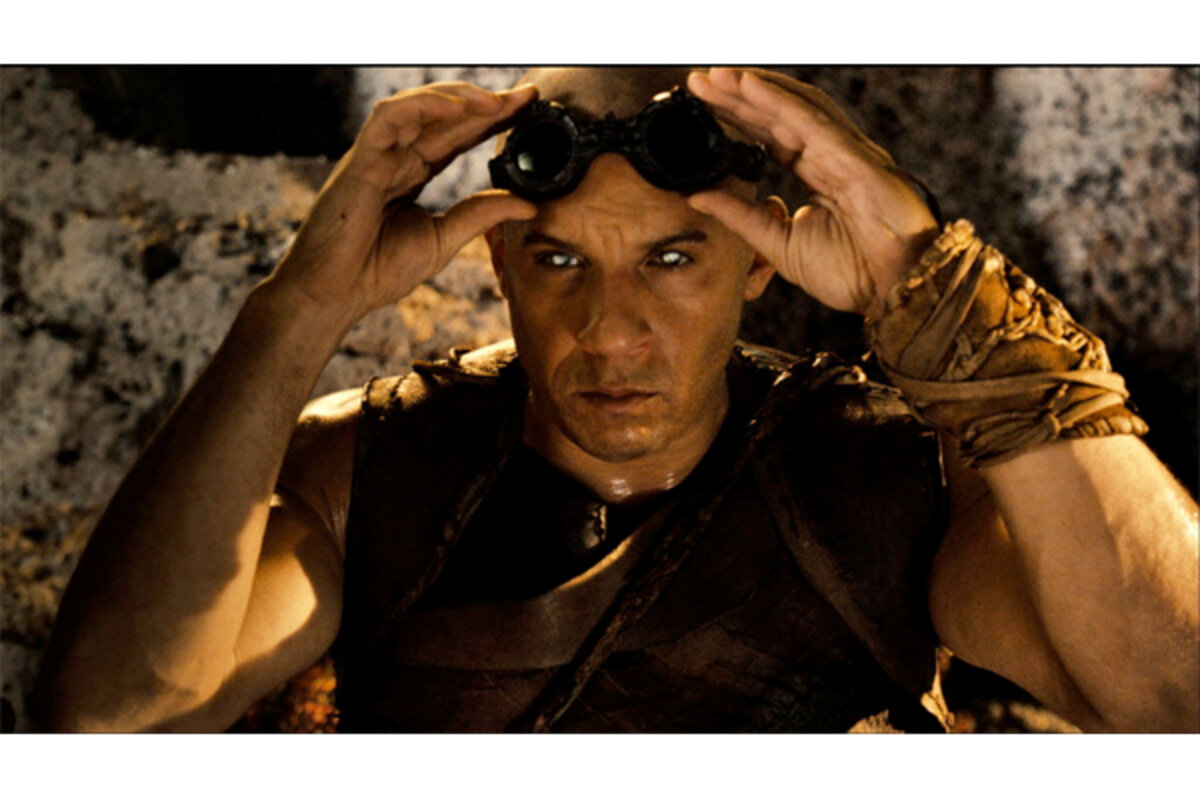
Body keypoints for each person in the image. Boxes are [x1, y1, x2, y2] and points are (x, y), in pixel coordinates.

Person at [34, 67, 1199, 733]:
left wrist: (936, 291)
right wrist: (296, 310)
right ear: (499, 262)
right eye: (560, 261)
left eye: (671, 259)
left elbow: (1173, 696)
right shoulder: (372, 468)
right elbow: (110, 723)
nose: (611, 327)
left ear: (759, 260)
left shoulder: (883, 477)